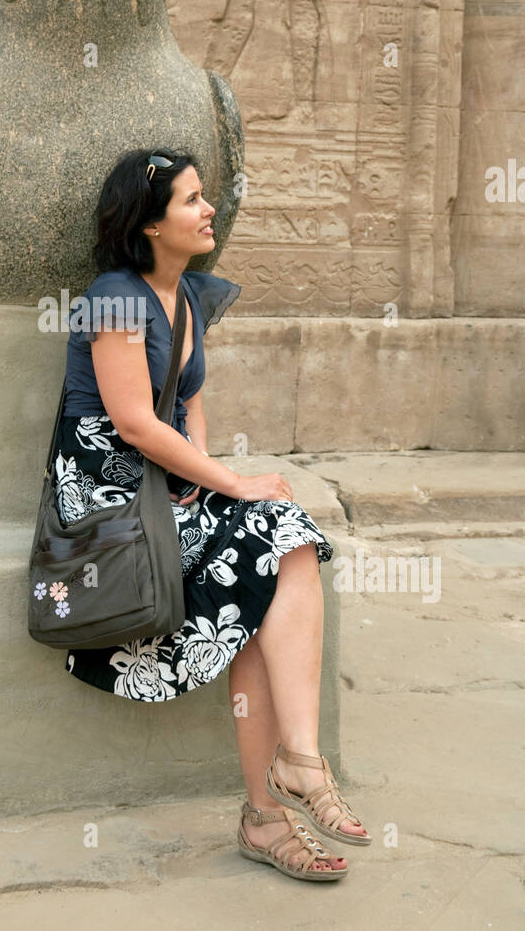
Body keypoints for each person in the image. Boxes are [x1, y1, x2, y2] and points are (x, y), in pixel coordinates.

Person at [54, 148, 370, 882]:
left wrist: (218, 485)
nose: (208, 212)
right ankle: (277, 797)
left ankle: (288, 776)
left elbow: (188, 407)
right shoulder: (115, 298)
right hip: (110, 502)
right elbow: (133, 422)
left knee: (284, 542)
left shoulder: (188, 295)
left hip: (166, 487)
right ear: (148, 224)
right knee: (274, 544)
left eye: (206, 197)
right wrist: (234, 482)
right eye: (192, 201)